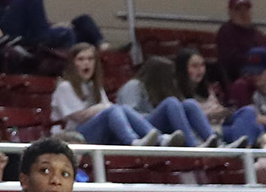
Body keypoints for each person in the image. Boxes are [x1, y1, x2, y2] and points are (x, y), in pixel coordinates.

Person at [54, 44, 183, 147]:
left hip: (99, 132)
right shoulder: (65, 86)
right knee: (113, 109)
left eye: (90, 59)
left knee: (123, 108)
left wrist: (105, 107)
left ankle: (160, 139)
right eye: (81, 59)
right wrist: (101, 107)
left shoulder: (94, 86)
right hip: (74, 136)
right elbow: (79, 116)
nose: (86, 63)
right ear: (73, 63)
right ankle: (133, 142)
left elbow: (106, 108)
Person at [116, 56, 226, 147]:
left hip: (158, 128)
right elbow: (129, 116)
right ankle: (192, 145)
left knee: (190, 104)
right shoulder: (133, 85)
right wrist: (159, 113)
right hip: (143, 128)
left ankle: (216, 142)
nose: (173, 79)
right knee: (171, 102)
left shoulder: (160, 89)